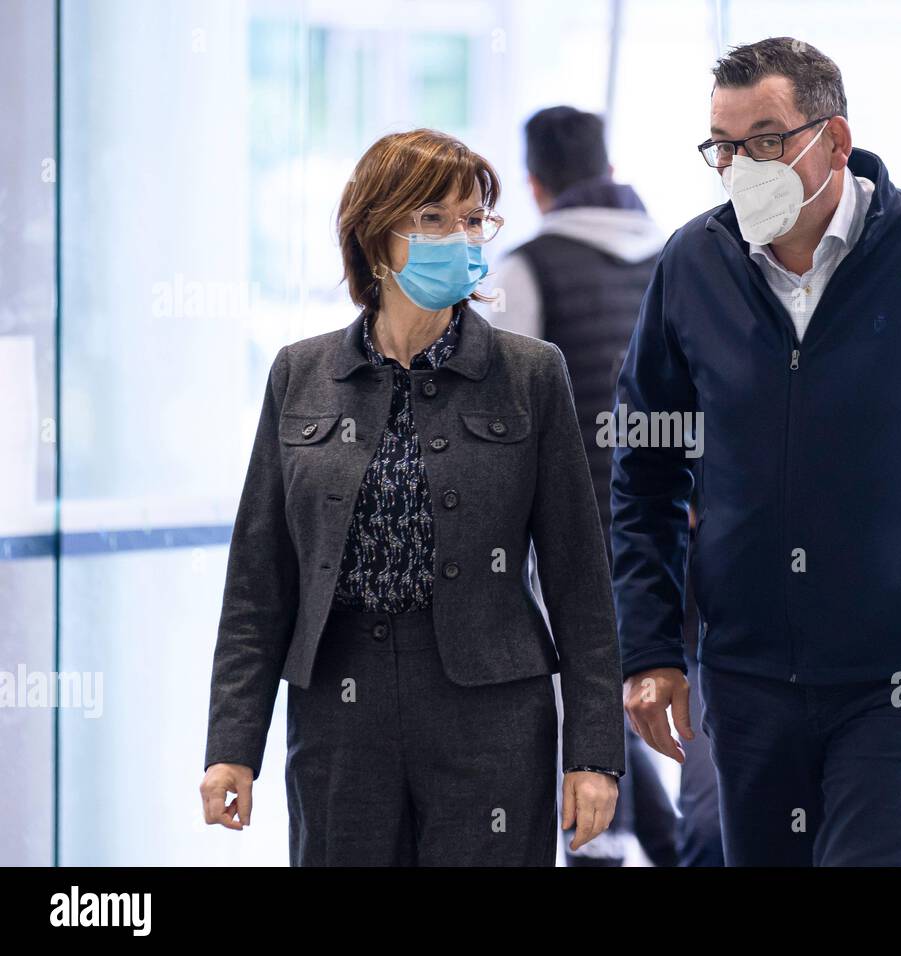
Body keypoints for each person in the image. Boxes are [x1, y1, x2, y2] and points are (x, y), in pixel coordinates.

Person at [612, 38, 901, 866]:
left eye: (765, 138)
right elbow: (643, 470)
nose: (738, 165)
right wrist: (650, 649)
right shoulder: (692, 265)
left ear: (835, 140)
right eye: (722, 145)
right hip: (749, 679)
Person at [200, 128, 625, 866]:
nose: (459, 237)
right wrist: (232, 748)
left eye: (472, 218)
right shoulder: (299, 375)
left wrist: (594, 753)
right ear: (375, 240)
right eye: (432, 218)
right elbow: (257, 582)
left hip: (491, 714)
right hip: (339, 713)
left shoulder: (530, 374)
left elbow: (580, 582)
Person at [493, 105, 677, 867]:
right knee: (645, 723)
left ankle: (620, 849)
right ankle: (666, 848)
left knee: (587, 721)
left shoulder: (525, 270)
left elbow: (500, 424)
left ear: (535, 184)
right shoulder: (678, 260)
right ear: (608, 169)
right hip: (683, 529)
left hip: (575, 545)